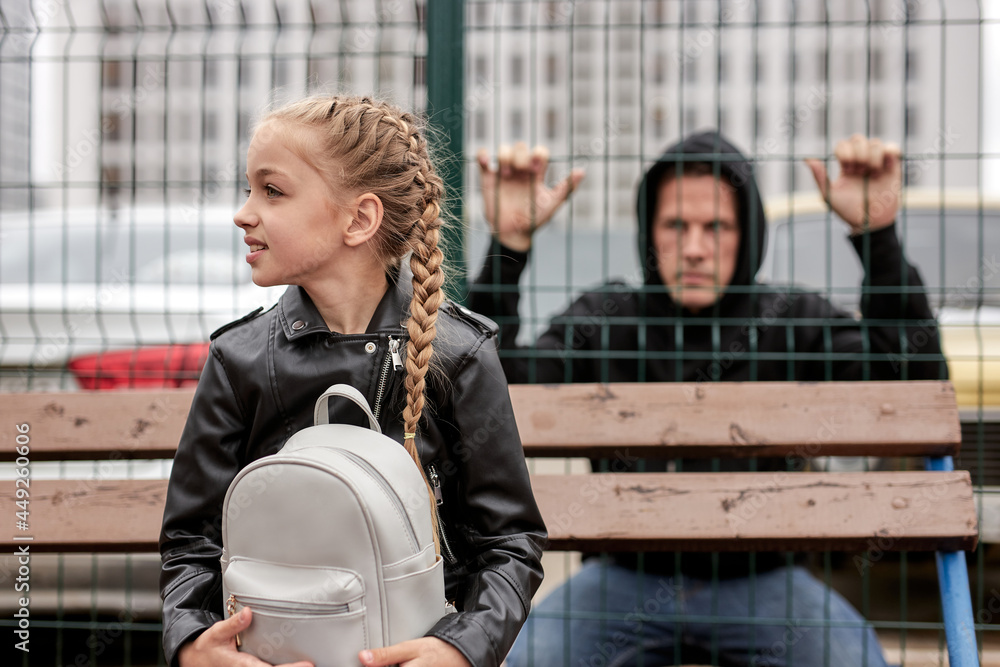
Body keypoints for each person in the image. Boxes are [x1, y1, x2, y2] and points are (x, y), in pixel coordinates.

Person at [469, 132, 945, 667]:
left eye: (716, 226)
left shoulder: (791, 320)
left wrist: (876, 233)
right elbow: (489, 389)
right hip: (621, 584)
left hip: (768, 583)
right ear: (650, 230)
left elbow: (912, 381)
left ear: (748, 234)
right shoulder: (604, 319)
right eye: (676, 226)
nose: (694, 247)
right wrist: (509, 245)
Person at [158, 95, 547, 667]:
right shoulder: (237, 360)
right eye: (248, 188)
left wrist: (459, 650)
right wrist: (193, 646)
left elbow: (508, 544)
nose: (244, 212)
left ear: (359, 219)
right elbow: (191, 544)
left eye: (272, 190)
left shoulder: (459, 353)